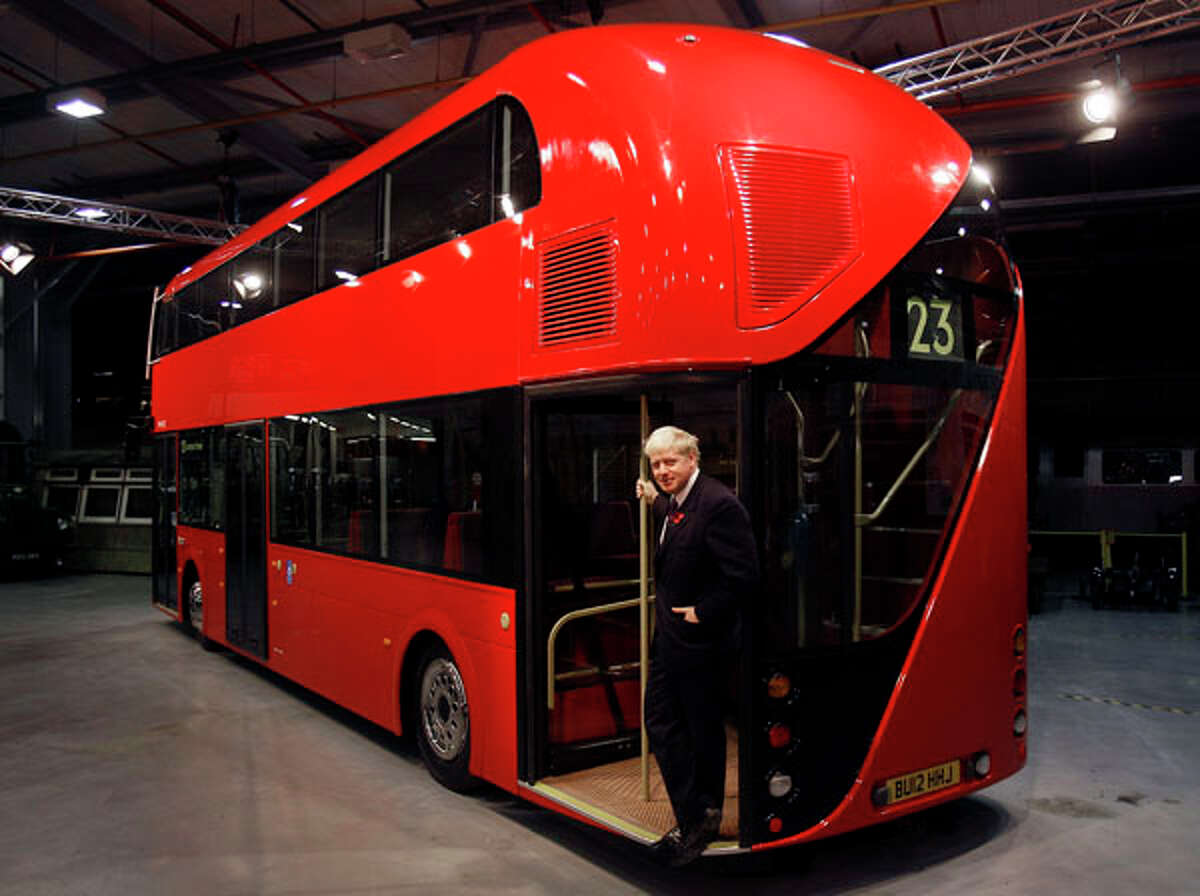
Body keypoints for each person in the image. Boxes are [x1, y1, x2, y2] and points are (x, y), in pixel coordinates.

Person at [635, 425, 758, 866]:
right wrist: (652, 499)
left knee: (703, 731)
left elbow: (744, 577)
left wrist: (704, 612)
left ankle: (701, 820)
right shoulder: (675, 502)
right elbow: (676, 526)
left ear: (692, 460)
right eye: (656, 463)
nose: (663, 470)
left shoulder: (719, 504)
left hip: (702, 640)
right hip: (671, 641)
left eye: (670, 462)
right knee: (662, 721)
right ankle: (693, 814)